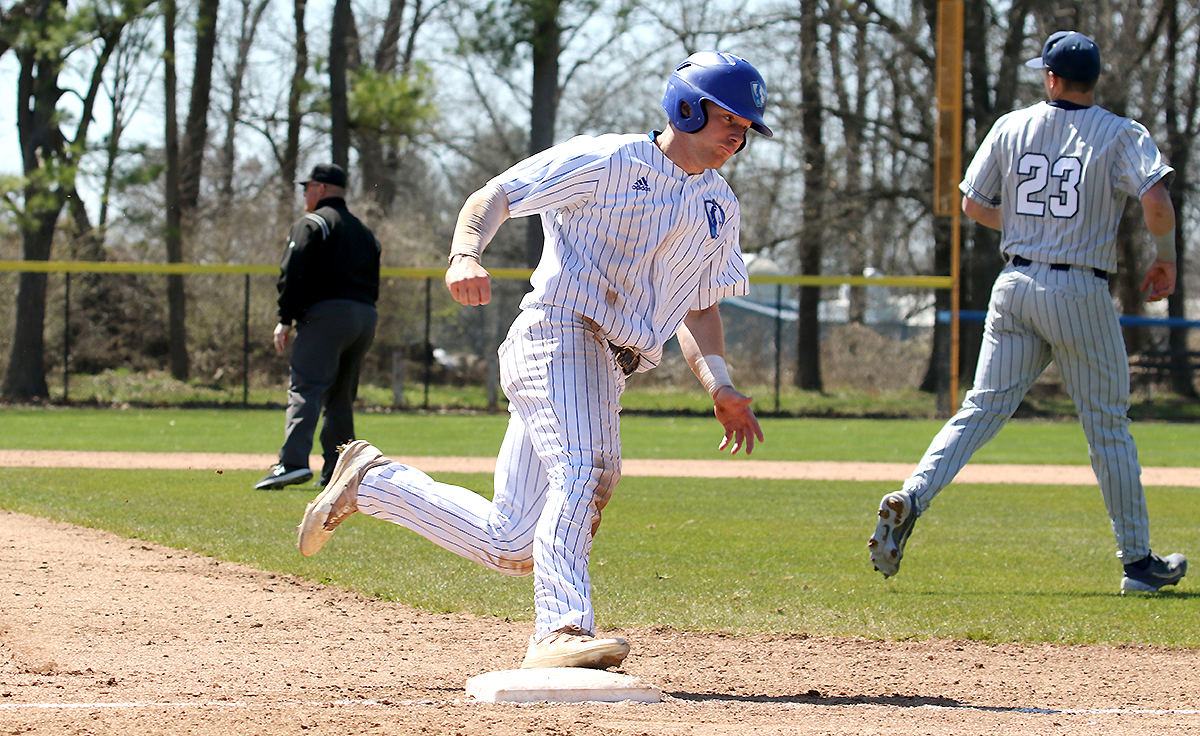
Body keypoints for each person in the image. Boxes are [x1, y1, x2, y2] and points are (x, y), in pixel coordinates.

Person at [297, 51, 769, 669]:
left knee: (513, 542)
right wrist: (465, 254)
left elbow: (699, 308)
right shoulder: (608, 160)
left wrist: (721, 384)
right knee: (588, 467)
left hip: (607, 364)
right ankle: (561, 628)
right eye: (728, 117)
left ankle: (374, 483)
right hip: (561, 334)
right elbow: (497, 195)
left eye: (746, 126)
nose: (738, 134)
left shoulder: (719, 207)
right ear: (686, 106)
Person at [868, 31, 1186, 593]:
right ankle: (1137, 563)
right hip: (1078, 288)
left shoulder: (1013, 125)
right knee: (1107, 427)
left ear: (1050, 77)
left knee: (980, 410)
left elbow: (973, 203)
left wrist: (1024, 229)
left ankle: (912, 496)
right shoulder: (1120, 132)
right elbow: (1156, 202)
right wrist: (1166, 259)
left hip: (1014, 283)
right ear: (1093, 80)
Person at [255, 163, 381, 491]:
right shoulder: (364, 232)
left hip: (328, 315)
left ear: (321, 189)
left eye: (307, 187)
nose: (305, 194)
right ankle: (339, 473)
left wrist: (286, 318)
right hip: (365, 316)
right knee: (339, 397)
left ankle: (292, 463)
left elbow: (292, 273)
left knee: (306, 386)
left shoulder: (313, 222)